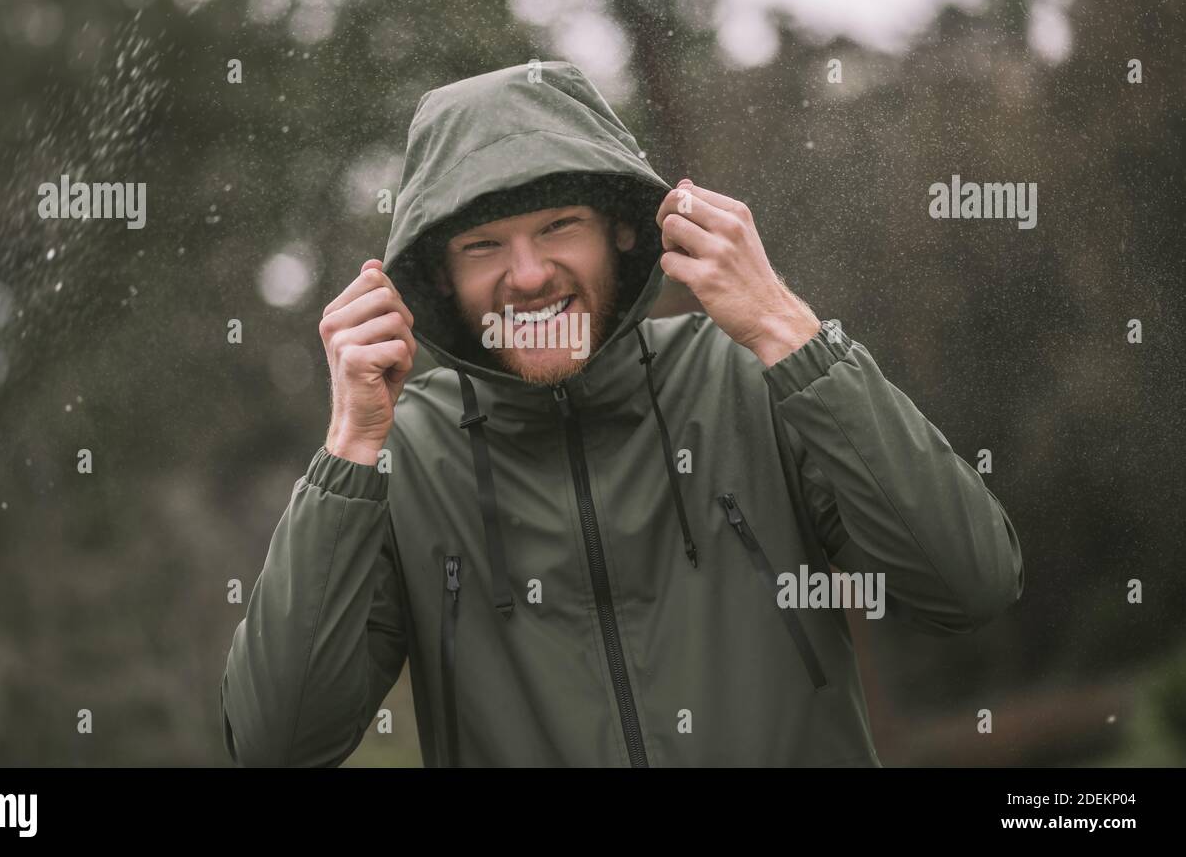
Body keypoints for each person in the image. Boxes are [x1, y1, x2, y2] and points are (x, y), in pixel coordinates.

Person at [219, 61, 1025, 767]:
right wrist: (350, 446)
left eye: (558, 225)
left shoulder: (752, 374)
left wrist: (788, 328)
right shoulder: (402, 453)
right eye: (483, 246)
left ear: (621, 234)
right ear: (438, 281)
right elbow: (279, 744)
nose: (528, 275)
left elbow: (969, 586)